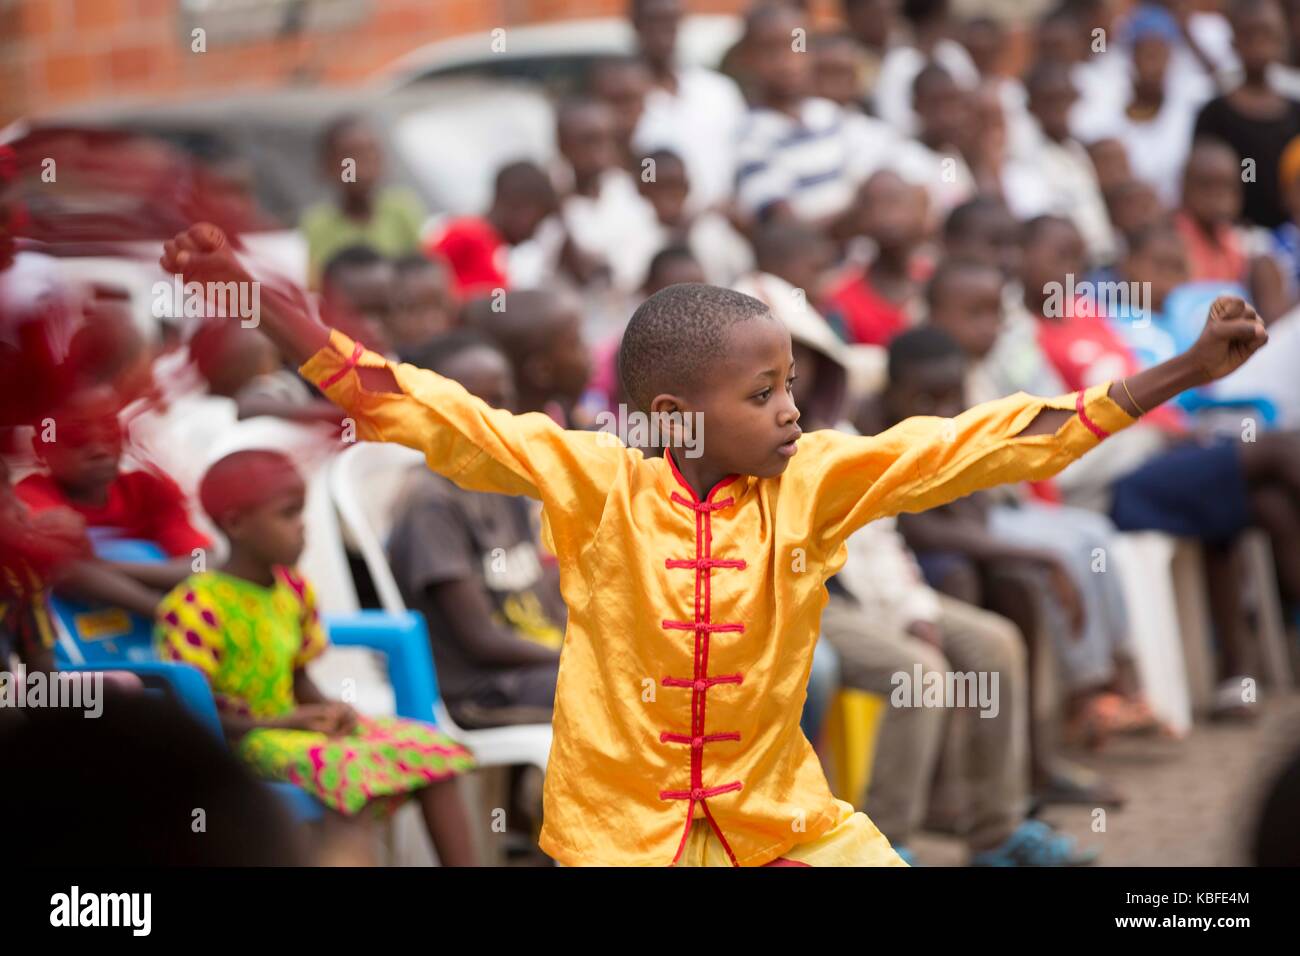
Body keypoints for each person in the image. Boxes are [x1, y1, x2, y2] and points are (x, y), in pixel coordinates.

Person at [162, 221, 1269, 866]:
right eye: (762, 392)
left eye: (788, 385)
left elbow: (982, 443)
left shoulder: (820, 477)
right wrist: (262, 295)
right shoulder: (596, 479)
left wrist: (1171, 374)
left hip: (782, 819)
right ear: (672, 414)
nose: (792, 410)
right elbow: (417, 407)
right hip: (618, 836)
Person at [155, 449, 479, 865]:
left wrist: (327, 710)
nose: (302, 528)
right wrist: (286, 721)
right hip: (236, 741)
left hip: (293, 731)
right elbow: (192, 718)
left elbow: (298, 679)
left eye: (302, 513)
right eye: (288, 515)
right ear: (236, 524)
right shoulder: (197, 607)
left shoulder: (293, 590)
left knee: (434, 753)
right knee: (350, 775)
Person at [629, 0, 749, 214]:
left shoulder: (719, 92)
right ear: (636, 25)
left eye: (670, 21)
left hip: (721, 226)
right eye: (653, 21)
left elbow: (745, 157)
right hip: (654, 231)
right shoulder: (625, 100)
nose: (662, 31)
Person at [1193, 0, 1300, 230]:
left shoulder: (1295, 109)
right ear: (1233, 41)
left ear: (1282, 40)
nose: (1259, 44)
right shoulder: (1215, 113)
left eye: (1267, 34)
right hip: (1233, 232)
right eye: (1250, 35)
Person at [299, 116, 425, 286]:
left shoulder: (402, 208)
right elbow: (319, 285)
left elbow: (421, 269)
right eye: (350, 158)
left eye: (370, 154)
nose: (361, 167)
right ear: (328, 166)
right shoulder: (317, 223)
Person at [823, 170, 931, 346]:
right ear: (860, 219)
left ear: (917, 211)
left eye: (895, 201)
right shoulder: (842, 300)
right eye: (875, 205)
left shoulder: (936, 278)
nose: (888, 216)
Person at [424, 160, 560, 299]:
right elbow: (421, 278)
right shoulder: (467, 233)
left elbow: (496, 307)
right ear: (518, 205)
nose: (534, 234)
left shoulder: (499, 255)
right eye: (537, 221)